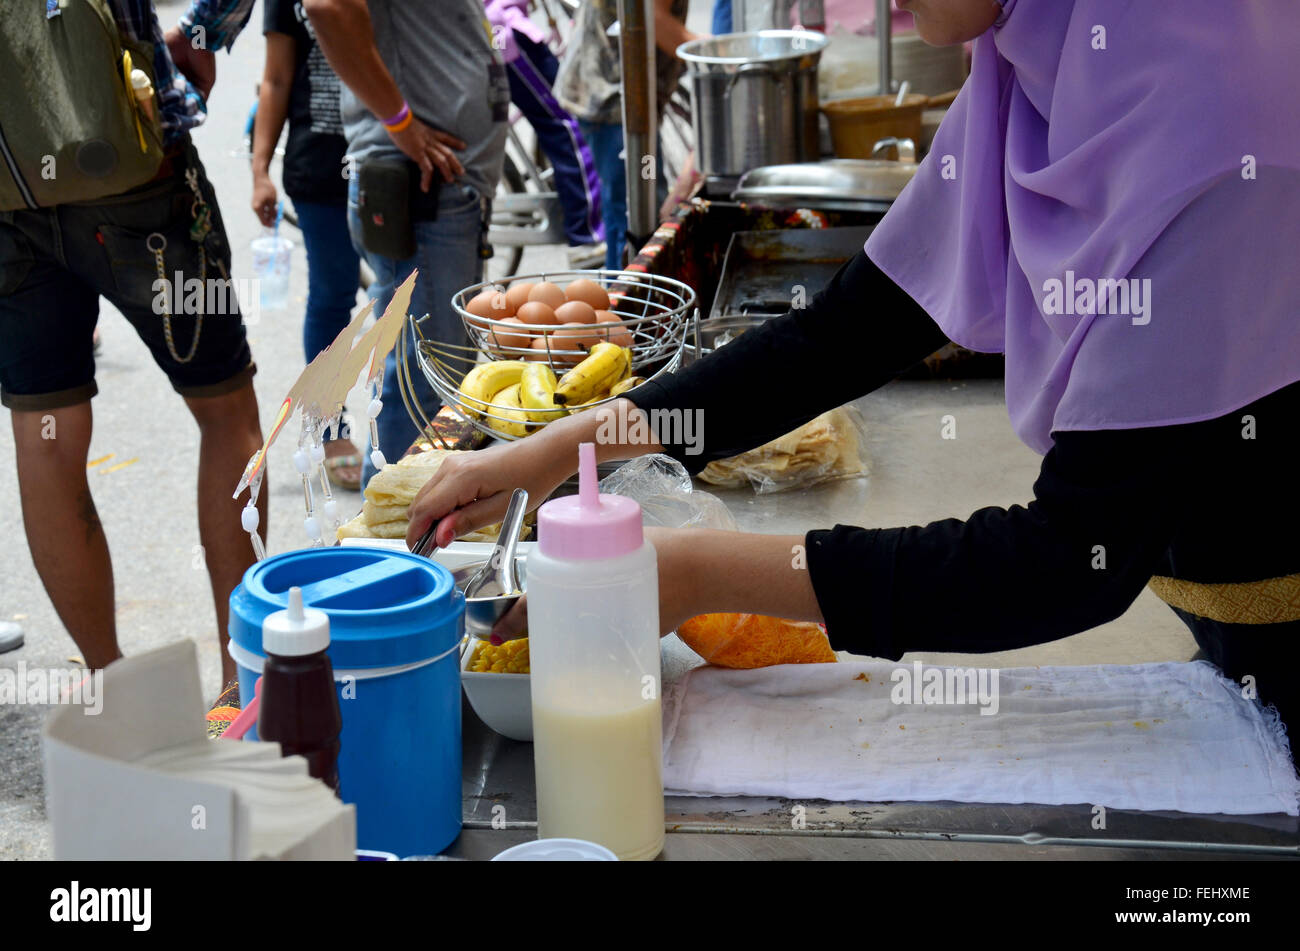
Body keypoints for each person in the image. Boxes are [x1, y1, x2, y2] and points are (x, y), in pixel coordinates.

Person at [405, 0, 1300, 728]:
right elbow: (837, 336)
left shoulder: (1219, 123)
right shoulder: (1044, 60)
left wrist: (687, 573)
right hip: (1232, 633)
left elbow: (1069, 562)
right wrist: (554, 451)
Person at [0, 0, 267, 684]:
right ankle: (241, 682)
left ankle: (111, 683)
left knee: (45, 436)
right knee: (226, 414)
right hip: (135, 168)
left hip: (8, 193)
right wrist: (204, 28)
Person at [303, 0, 509, 488]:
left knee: (437, 375)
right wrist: (399, 122)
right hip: (420, 190)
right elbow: (327, 7)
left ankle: (413, 531)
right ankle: (403, 539)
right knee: (420, 382)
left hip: (441, 191)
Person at [251, 0, 364, 490]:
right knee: (332, 296)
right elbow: (275, 79)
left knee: (409, 297)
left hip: (397, 162)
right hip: (320, 168)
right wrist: (259, 171)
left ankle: (413, 425)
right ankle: (331, 429)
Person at [554, 0, 698, 271]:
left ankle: (618, 299)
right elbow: (655, 18)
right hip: (617, 104)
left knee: (628, 210)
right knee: (636, 218)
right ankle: (625, 304)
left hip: (614, 98)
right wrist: (715, 55)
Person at [485, 0, 605, 257]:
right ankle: (587, 235)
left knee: (560, 116)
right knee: (565, 121)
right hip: (502, 31)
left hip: (500, 27)